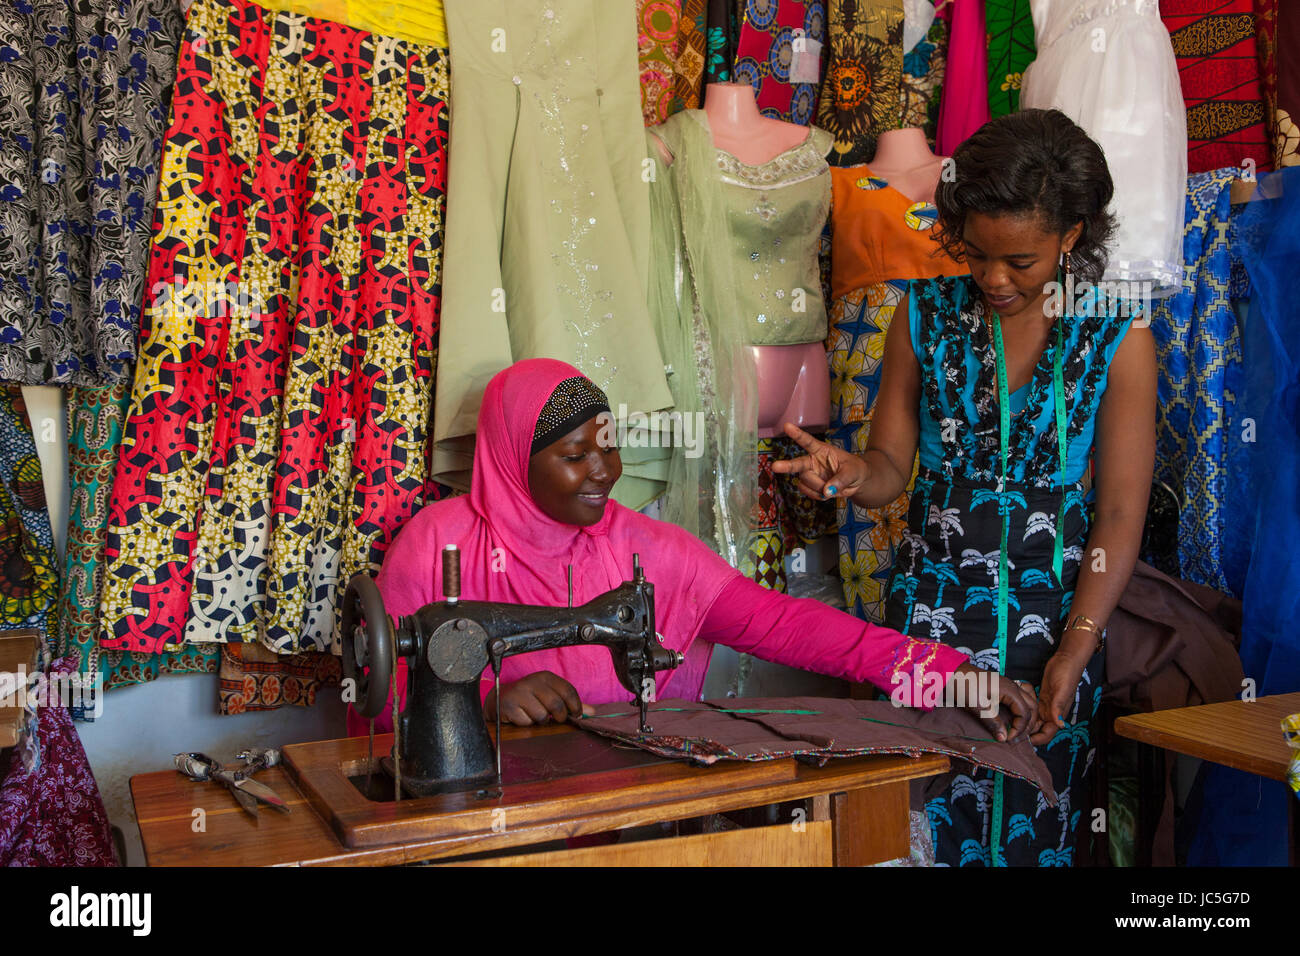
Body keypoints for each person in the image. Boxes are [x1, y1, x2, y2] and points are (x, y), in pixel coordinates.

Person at [774, 109, 1156, 866]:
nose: (993, 279)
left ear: (1073, 234)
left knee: (1035, 829)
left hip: (1057, 631)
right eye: (977, 254)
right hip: (929, 620)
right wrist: (852, 474)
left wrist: (1076, 649)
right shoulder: (923, 314)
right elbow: (888, 468)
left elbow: (1117, 512)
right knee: (922, 828)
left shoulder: (1116, 334)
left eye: (1020, 259)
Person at [347, 358, 1036, 740]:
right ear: (509, 460)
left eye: (610, 443)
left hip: (630, 812)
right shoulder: (436, 545)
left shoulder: (651, 550)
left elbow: (800, 629)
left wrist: (953, 677)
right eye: (574, 454)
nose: (604, 470)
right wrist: (484, 700)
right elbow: (373, 694)